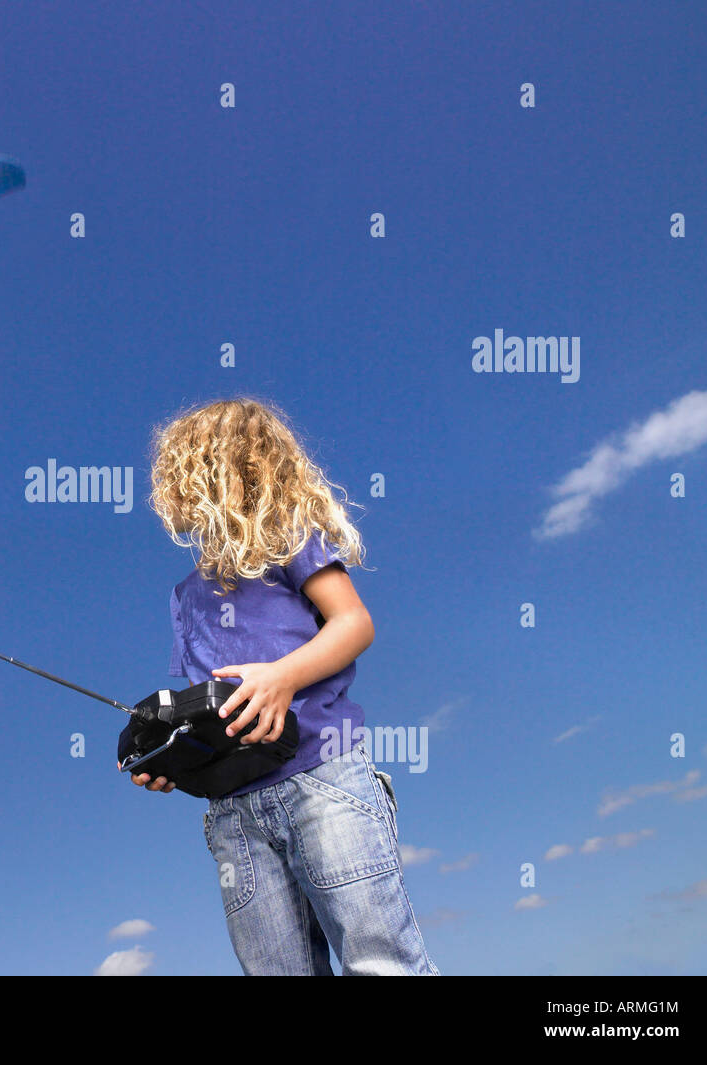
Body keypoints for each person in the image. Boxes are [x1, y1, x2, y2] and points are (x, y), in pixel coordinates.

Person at [130, 397, 439, 976]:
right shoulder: (184, 595)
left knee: (380, 963)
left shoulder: (286, 535)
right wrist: (176, 758)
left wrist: (283, 677)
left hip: (325, 780)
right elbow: (215, 703)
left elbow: (354, 623)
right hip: (235, 812)